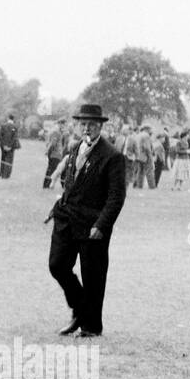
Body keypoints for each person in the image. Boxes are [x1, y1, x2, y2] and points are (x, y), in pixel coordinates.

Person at [48, 104, 127, 338]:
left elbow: (116, 198)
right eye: (83, 124)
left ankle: (91, 326)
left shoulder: (112, 156)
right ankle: (81, 307)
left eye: (91, 124)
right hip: (67, 218)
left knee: (93, 275)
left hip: (93, 225)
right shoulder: (74, 148)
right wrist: (58, 208)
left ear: (100, 126)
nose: (87, 128)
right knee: (57, 265)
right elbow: (71, 183)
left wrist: (101, 225)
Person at [44, 118, 68, 189]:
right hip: (55, 154)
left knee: (51, 170)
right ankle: (47, 185)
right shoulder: (56, 132)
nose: (64, 127)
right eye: (64, 125)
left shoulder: (57, 131)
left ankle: (46, 185)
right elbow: (53, 144)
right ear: (60, 124)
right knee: (52, 170)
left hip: (55, 154)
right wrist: (48, 153)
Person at [0, 114, 19, 179]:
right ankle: (6, 175)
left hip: (3, 147)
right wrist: (9, 146)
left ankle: (1, 173)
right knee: (9, 161)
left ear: (8, 118)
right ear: (13, 119)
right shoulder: (15, 127)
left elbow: (0, 136)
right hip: (11, 147)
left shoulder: (3, 125)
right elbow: (14, 138)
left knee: (3, 159)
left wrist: (4, 145)